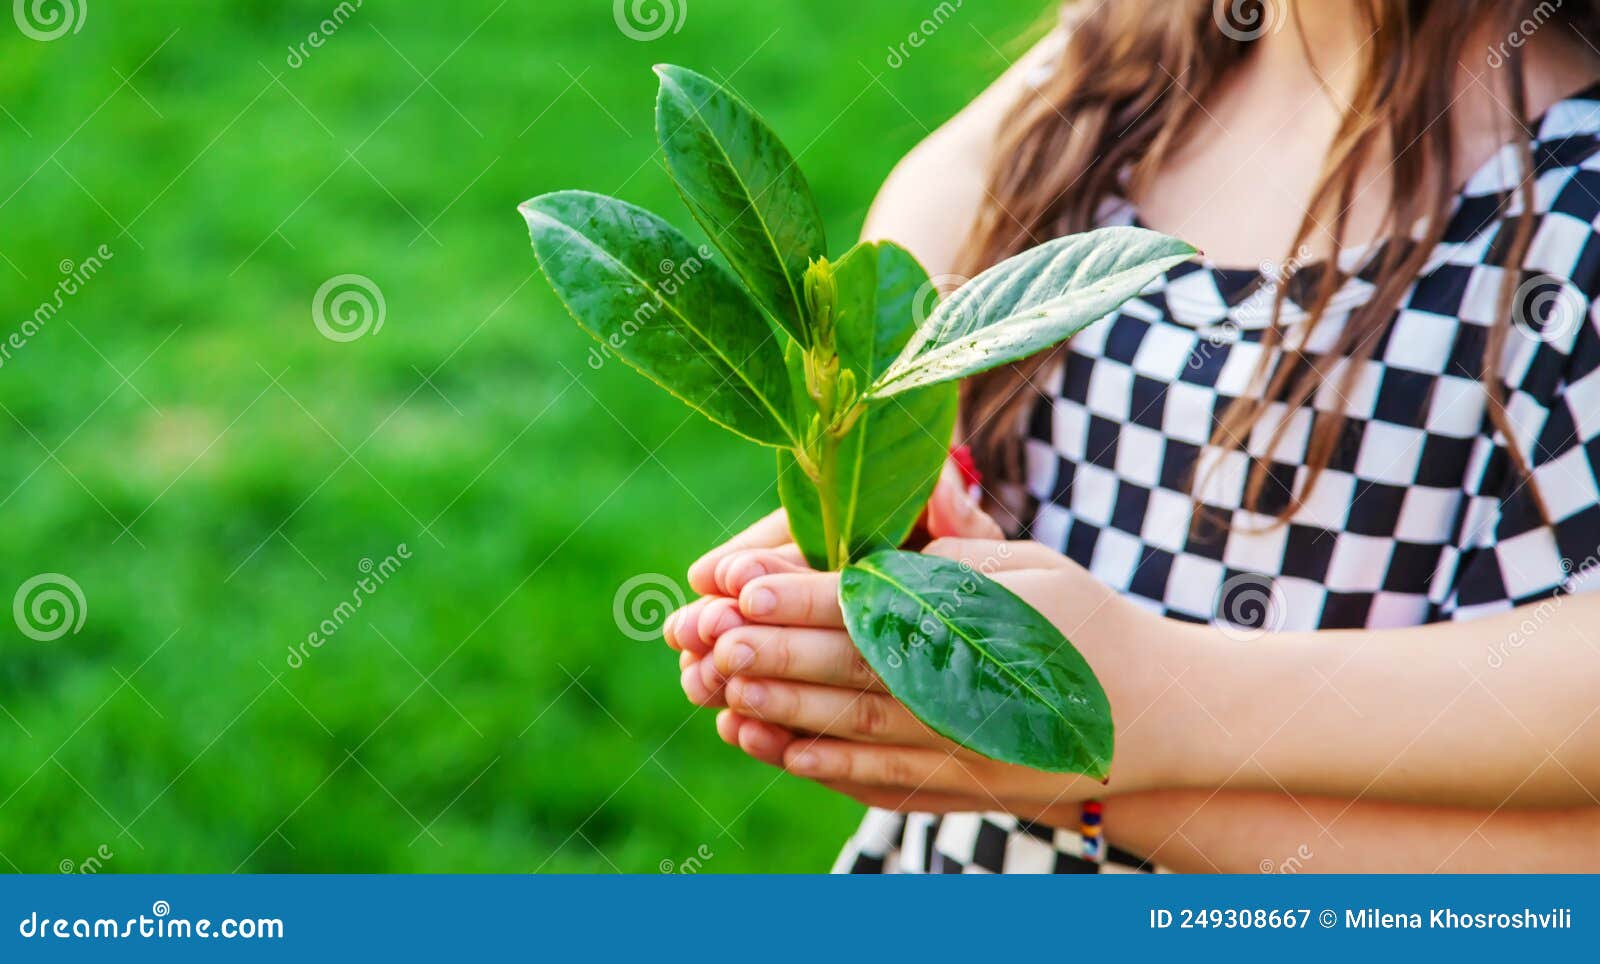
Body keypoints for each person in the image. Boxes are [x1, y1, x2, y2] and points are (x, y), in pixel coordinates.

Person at [664, 0, 1600, 872]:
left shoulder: (1567, 216)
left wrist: (1148, 706)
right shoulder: (1139, 48)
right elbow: (923, 238)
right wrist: (923, 470)